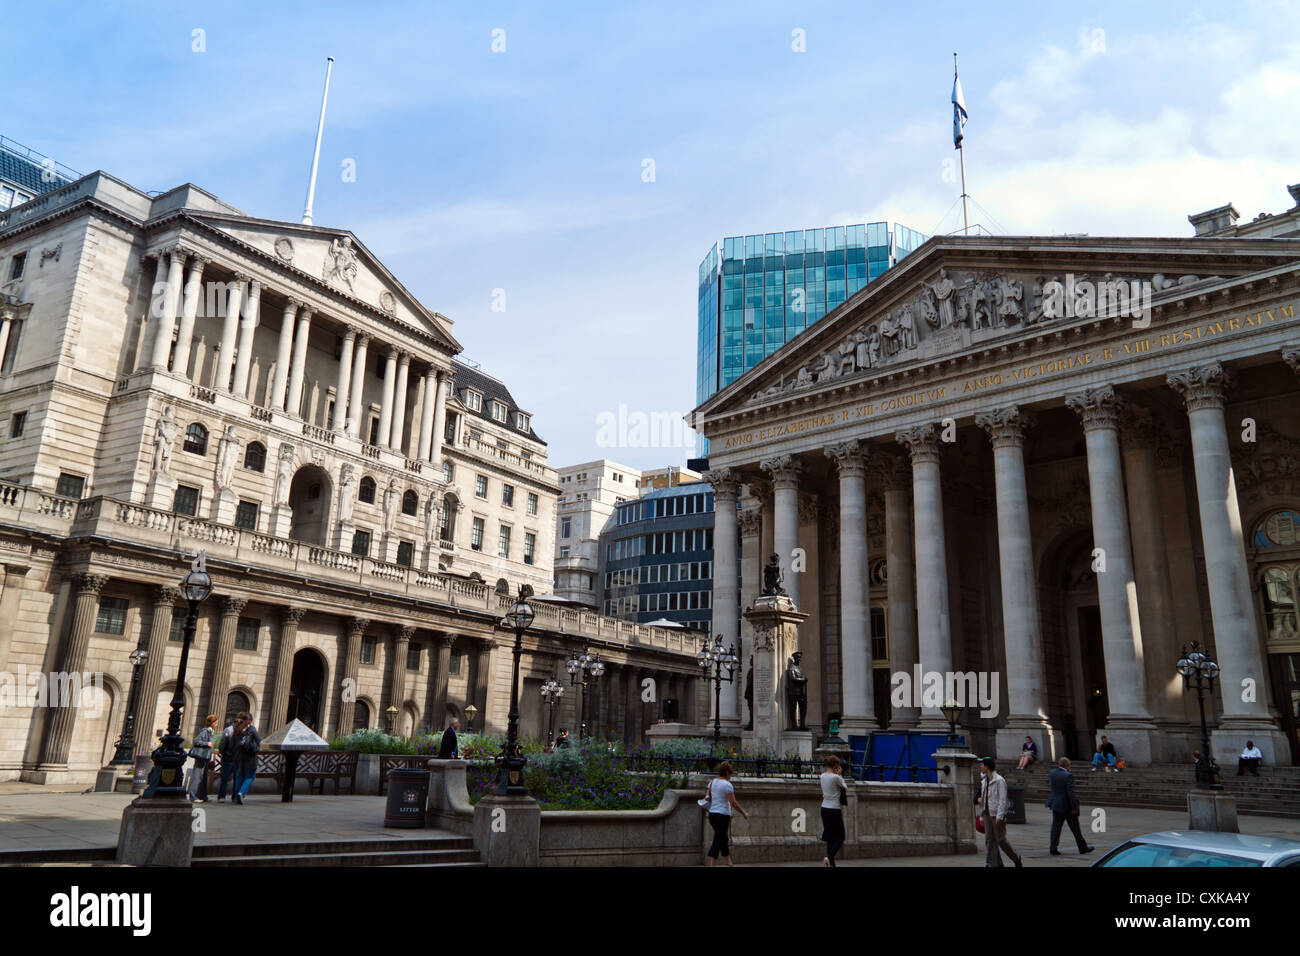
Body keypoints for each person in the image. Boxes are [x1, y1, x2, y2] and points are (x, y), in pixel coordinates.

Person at [977, 757, 1022, 867]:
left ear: (987, 767)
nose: (980, 767)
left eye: (982, 765)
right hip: (987, 813)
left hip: (996, 814)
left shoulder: (999, 780)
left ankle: (1016, 859)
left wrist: (1000, 815)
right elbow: (983, 799)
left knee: (1001, 840)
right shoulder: (984, 781)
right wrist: (982, 815)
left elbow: (1002, 799)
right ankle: (992, 863)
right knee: (989, 840)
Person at [1045, 757, 1095, 856]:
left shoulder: (1052, 773)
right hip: (1067, 806)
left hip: (1056, 804)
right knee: (1075, 828)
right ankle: (1083, 848)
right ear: (1067, 766)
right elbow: (1070, 793)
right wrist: (1074, 807)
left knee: (1055, 828)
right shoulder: (1068, 775)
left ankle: (1053, 848)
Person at [705, 761, 749, 867]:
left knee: (722, 838)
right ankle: (712, 865)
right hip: (723, 815)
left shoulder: (712, 782)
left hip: (712, 815)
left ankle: (728, 862)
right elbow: (733, 802)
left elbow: (707, 796)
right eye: (731, 773)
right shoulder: (727, 785)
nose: (731, 776)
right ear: (727, 772)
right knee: (717, 840)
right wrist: (743, 812)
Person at [820, 755, 849, 867]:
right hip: (834, 809)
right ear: (836, 765)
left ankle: (831, 864)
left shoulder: (822, 776)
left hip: (824, 808)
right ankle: (829, 857)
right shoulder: (835, 777)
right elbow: (845, 787)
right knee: (840, 837)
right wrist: (840, 774)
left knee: (829, 836)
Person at [229, 712, 261, 805]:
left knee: (239, 776)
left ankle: (236, 796)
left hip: (238, 757)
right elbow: (259, 741)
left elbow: (231, 745)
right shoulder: (252, 729)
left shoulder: (237, 729)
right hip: (250, 757)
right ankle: (241, 793)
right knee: (250, 776)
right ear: (250, 720)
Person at [187, 714, 218, 803]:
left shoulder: (210, 731)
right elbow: (196, 741)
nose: (217, 724)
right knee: (197, 776)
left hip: (206, 757)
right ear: (211, 723)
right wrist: (207, 744)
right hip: (201, 757)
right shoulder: (206, 731)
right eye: (216, 723)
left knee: (203, 777)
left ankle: (203, 796)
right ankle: (193, 796)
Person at [216, 719, 237, 802]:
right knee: (235, 778)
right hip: (235, 758)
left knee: (224, 778)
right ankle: (234, 797)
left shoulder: (228, 730)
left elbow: (222, 743)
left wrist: (221, 751)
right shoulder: (242, 730)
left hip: (228, 758)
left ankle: (222, 797)